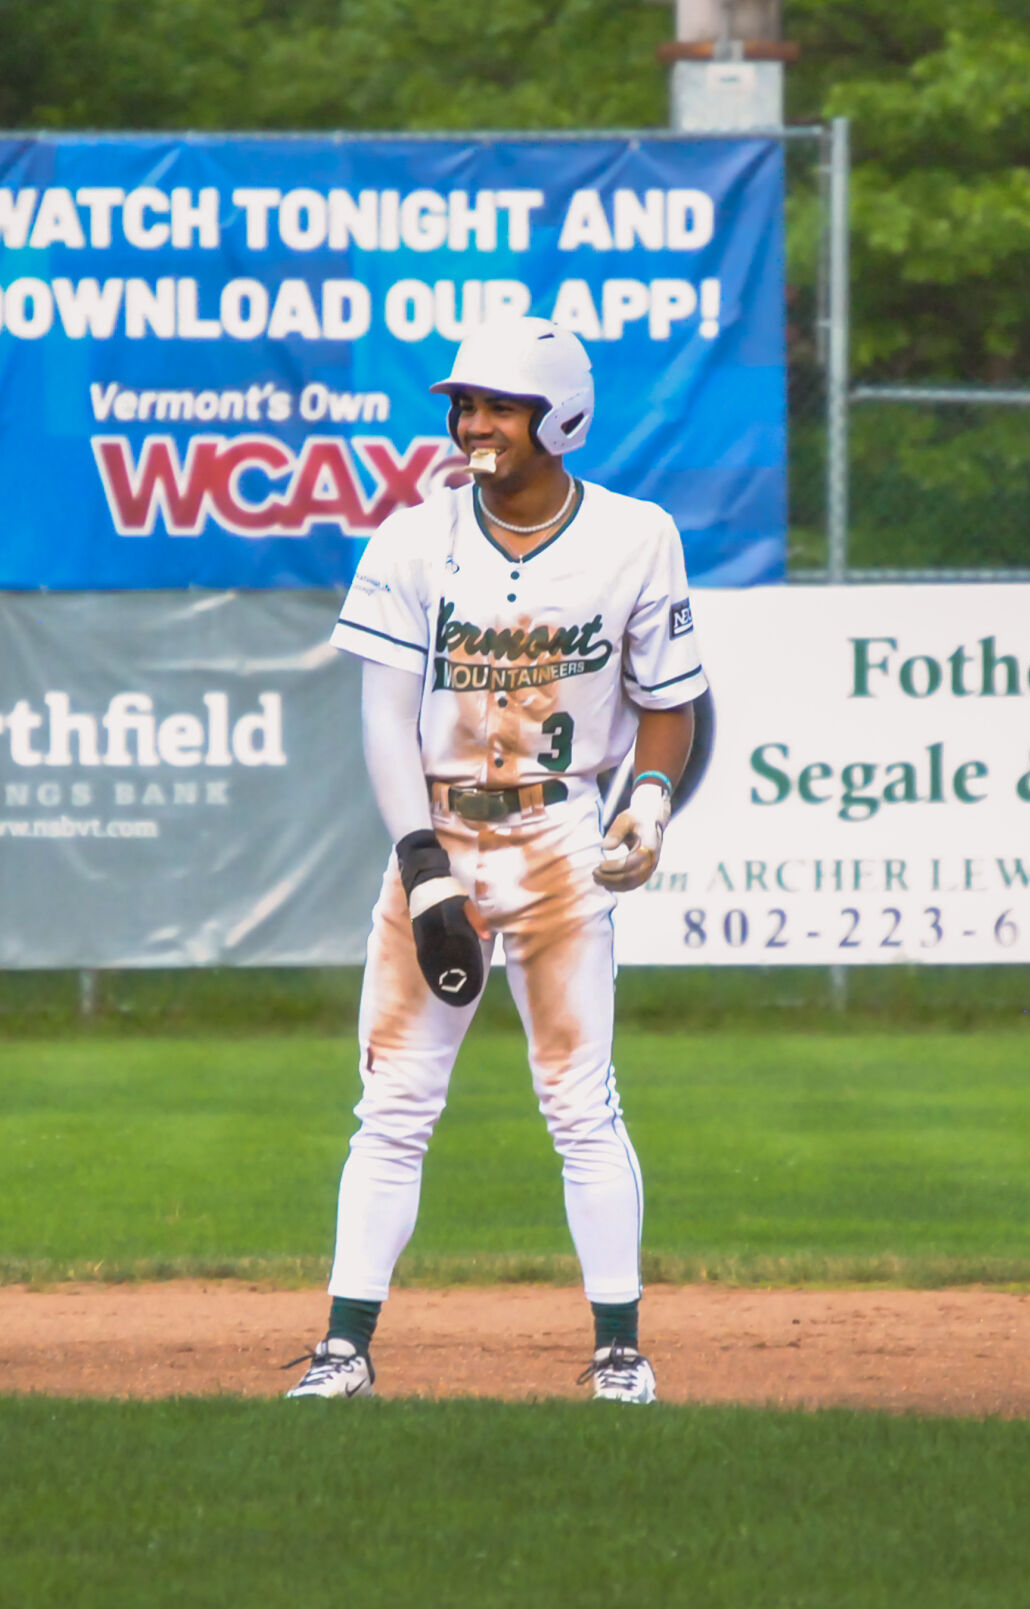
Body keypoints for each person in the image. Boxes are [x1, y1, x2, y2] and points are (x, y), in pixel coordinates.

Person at [285, 315, 706, 1403]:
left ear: (559, 415)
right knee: (393, 1103)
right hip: (443, 838)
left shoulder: (636, 534)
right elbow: (384, 720)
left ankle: (619, 1352)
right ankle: (343, 1350)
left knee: (580, 1101)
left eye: (498, 406)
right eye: (464, 405)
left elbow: (670, 706)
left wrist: (647, 806)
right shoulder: (412, 539)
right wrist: (421, 864)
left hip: (561, 834)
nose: (473, 424)